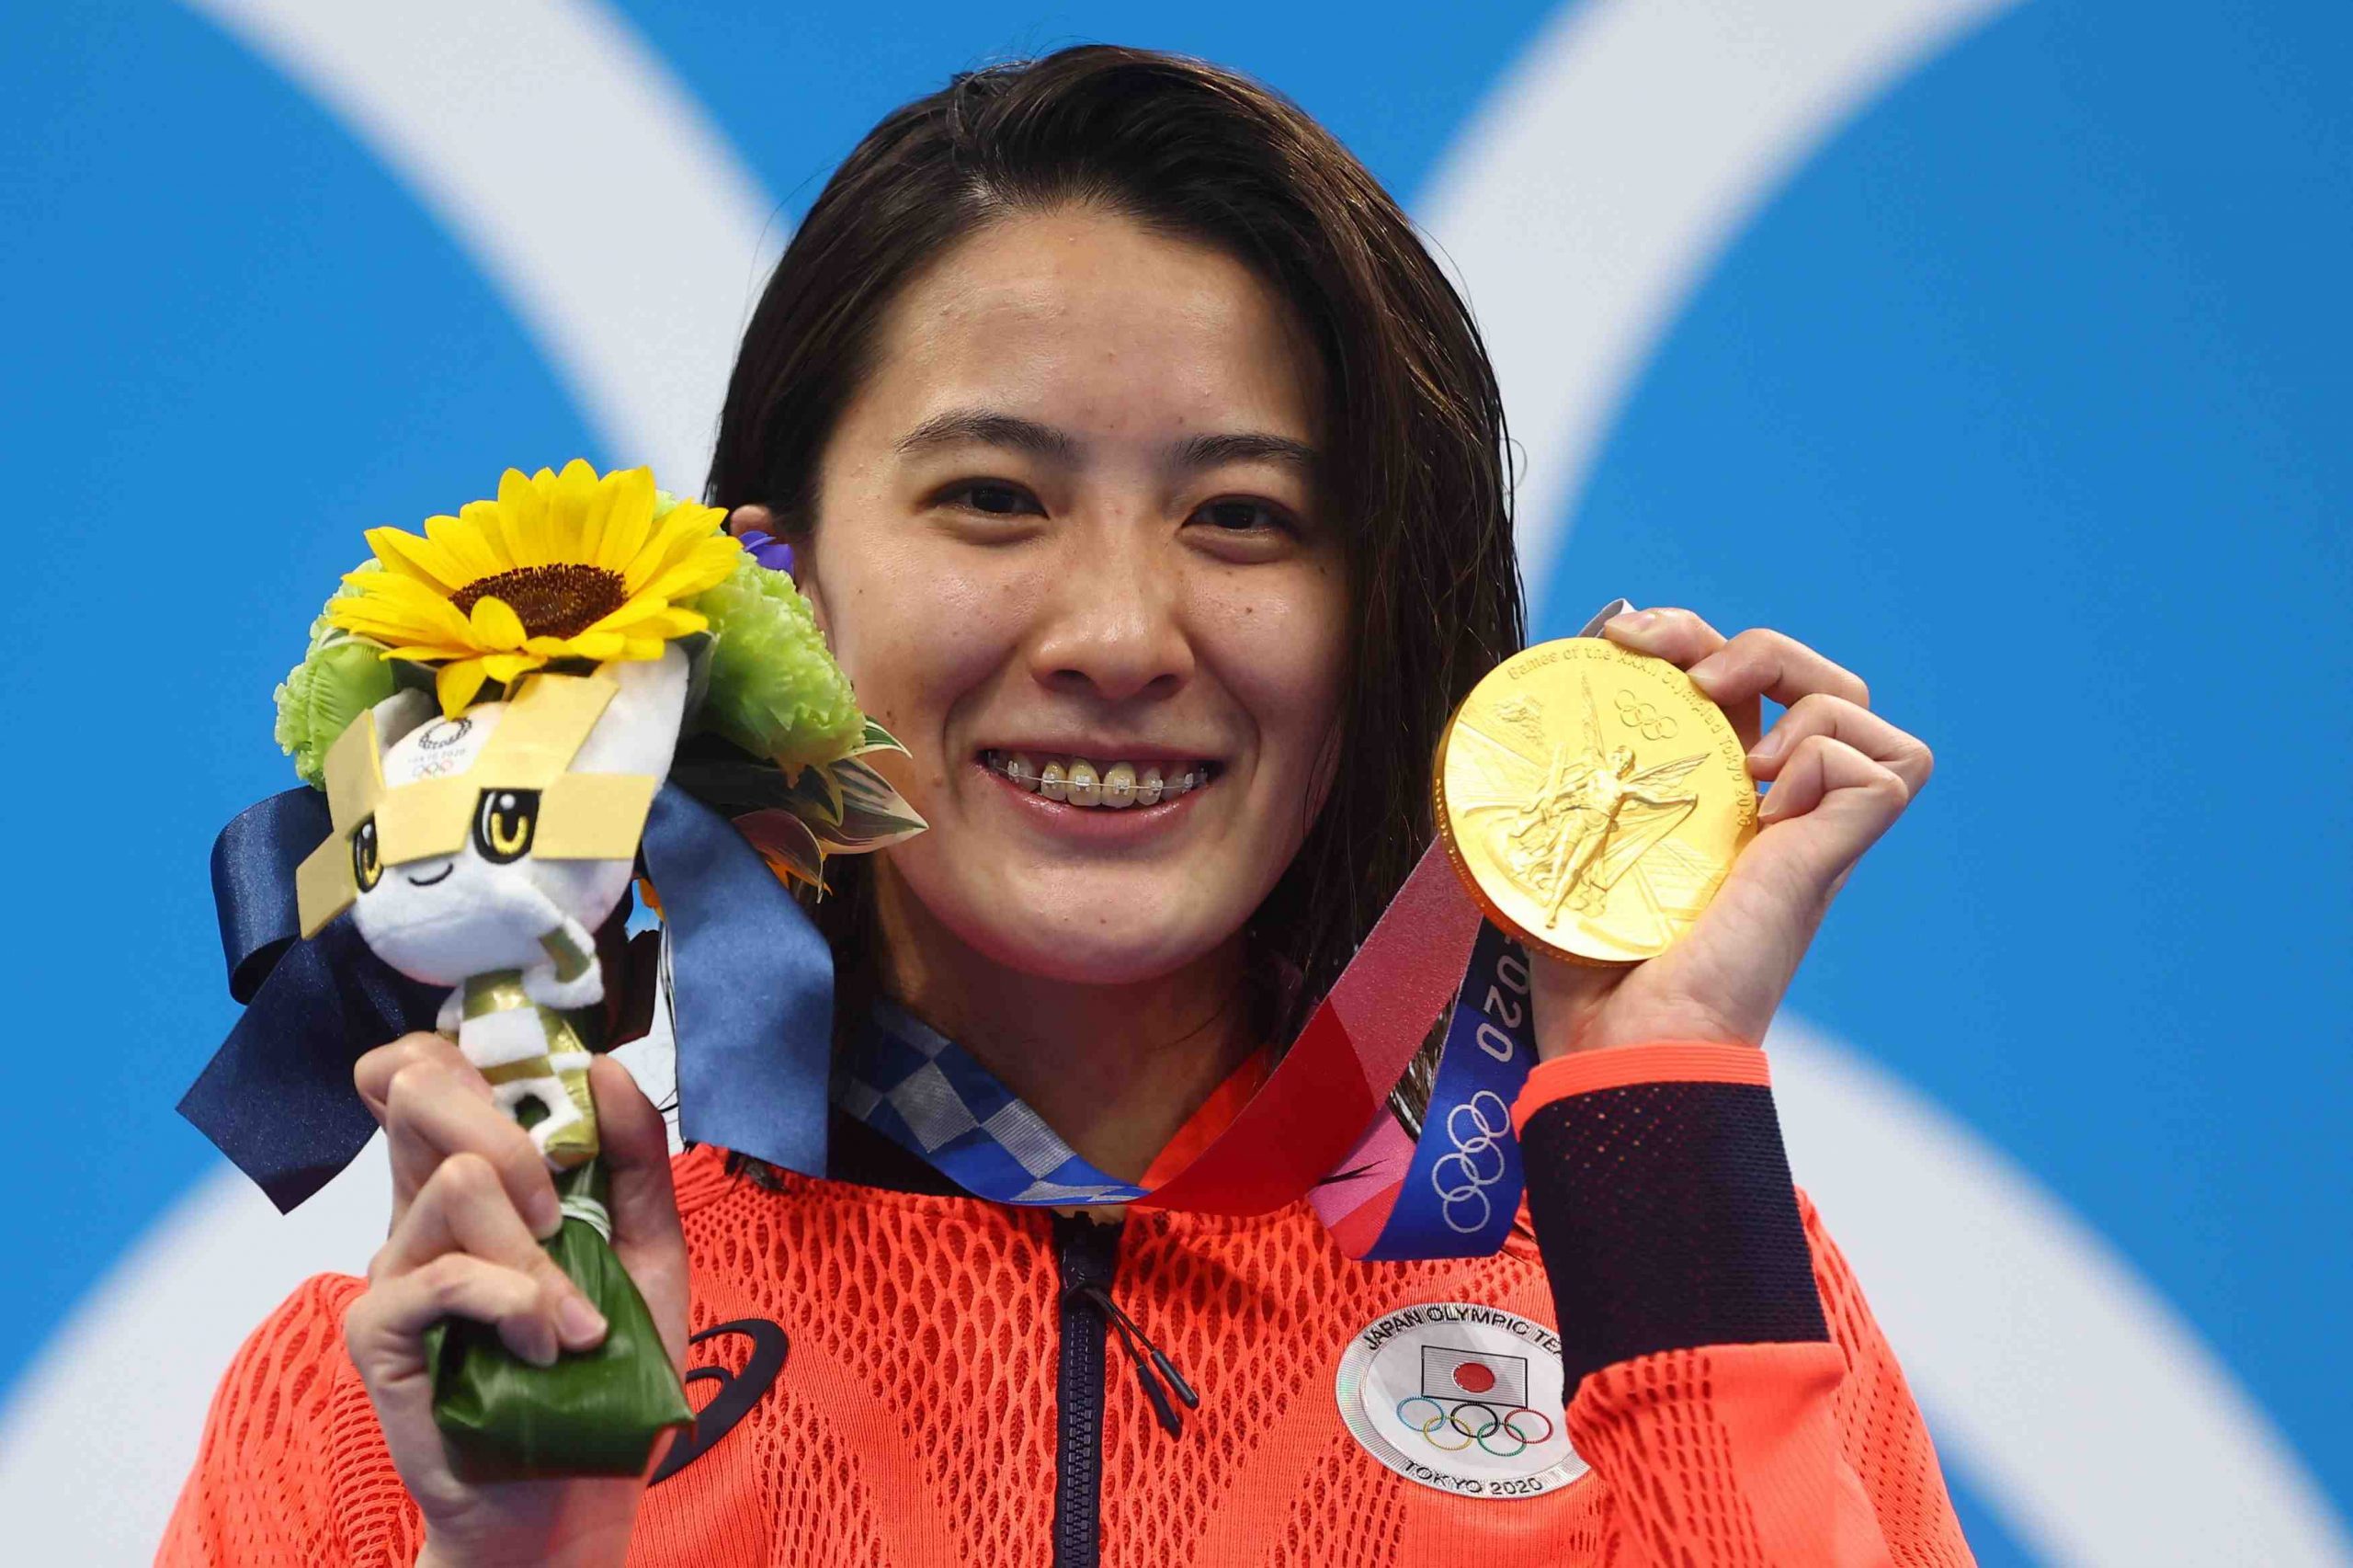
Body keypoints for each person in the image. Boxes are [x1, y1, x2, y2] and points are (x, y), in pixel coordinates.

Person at [161, 45, 1966, 1567]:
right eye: (992, 501)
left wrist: (1650, 1132)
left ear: (1373, 616)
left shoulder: (1660, 1273)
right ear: (770, 586)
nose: (1117, 632)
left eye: (1244, 516)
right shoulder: (394, 1399)